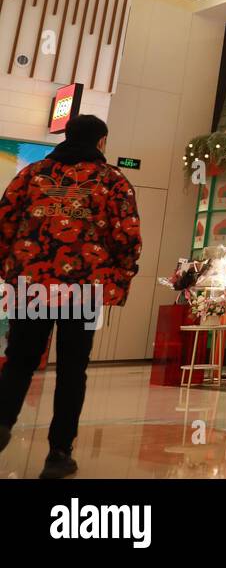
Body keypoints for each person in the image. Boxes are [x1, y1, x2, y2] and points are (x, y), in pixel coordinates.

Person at [0, 114, 142, 478]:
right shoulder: (112, 180)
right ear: (101, 142)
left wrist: (10, 269)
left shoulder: (32, 175)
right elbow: (126, 235)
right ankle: (59, 453)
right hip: (84, 288)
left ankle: (0, 423)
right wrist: (120, 275)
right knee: (71, 369)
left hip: (32, 284)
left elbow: (4, 221)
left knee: (19, 360)